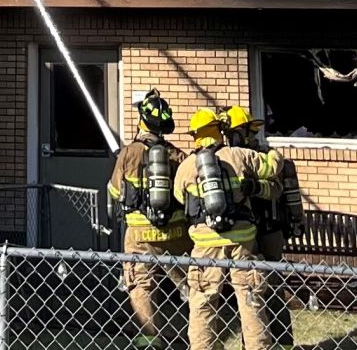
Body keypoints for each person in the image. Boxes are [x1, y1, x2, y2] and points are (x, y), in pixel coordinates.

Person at [175, 107, 283, 350]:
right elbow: (272, 167)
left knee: (203, 302)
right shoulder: (239, 155)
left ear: (196, 135)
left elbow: (180, 198)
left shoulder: (187, 166)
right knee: (250, 298)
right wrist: (272, 151)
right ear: (219, 130)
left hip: (206, 243)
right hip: (242, 239)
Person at [108, 89, 190, 349]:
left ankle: (149, 341)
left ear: (141, 120)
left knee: (141, 287)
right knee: (193, 285)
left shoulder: (128, 153)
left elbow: (114, 191)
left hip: (139, 236)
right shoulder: (177, 155)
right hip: (175, 233)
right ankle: (204, 337)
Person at [225, 105, 301, 346]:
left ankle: (283, 342)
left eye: (235, 133)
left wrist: (256, 188)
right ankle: (252, 342)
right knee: (248, 289)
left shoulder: (266, 156)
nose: (231, 138)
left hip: (268, 229)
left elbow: (276, 190)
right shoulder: (226, 159)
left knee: (272, 287)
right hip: (241, 231)